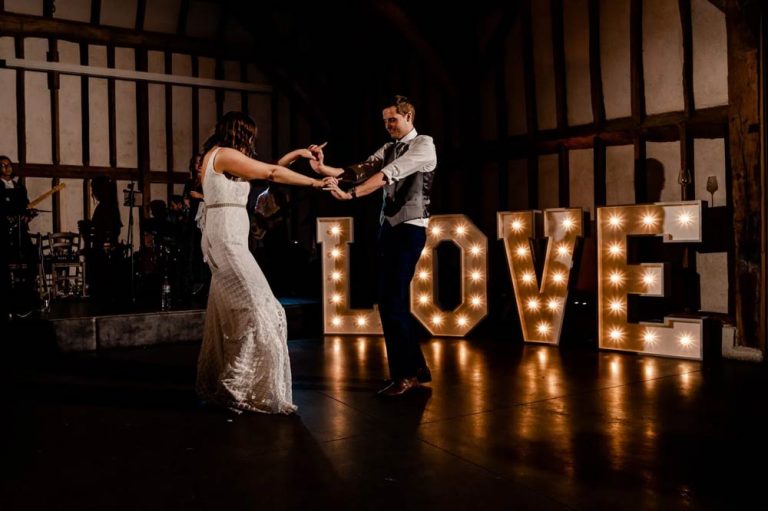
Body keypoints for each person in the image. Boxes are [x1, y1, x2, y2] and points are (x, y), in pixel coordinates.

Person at [195, 111, 336, 414]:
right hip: (228, 242)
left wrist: (297, 155)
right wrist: (315, 183)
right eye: (251, 136)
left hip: (225, 239)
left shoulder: (221, 156)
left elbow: (269, 168)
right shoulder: (224, 155)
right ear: (241, 133)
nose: (252, 143)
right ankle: (236, 385)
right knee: (264, 310)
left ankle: (235, 383)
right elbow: (270, 173)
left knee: (237, 314)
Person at [315, 95, 437, 397]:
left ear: (408, 116)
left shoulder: (424, 144)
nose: (388, 126)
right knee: (391, 300)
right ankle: (416, 369)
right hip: (389, 229)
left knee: (392, 300)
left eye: (392, 120)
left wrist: (351, 195)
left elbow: (386, 175)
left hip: (410, 229)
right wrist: (323, 169)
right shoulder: (388, 148)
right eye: (385, 121)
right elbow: (362, 169)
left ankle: (405, 375)